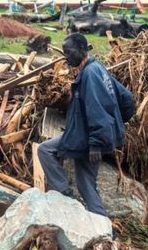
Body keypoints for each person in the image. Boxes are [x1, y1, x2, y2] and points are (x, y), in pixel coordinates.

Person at [37, 33, 135, 217]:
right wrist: (115, 124)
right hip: (84, 135)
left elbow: (97, 109)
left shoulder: (90, 74)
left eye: (69, 52)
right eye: (64, 52)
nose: (66, 57)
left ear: (82, 49)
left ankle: (66, 197)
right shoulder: (97, 68)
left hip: (88, 140)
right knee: (85, 183)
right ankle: (97, 219)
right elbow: (127, 99)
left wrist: (97, 143)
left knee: (46, 151)